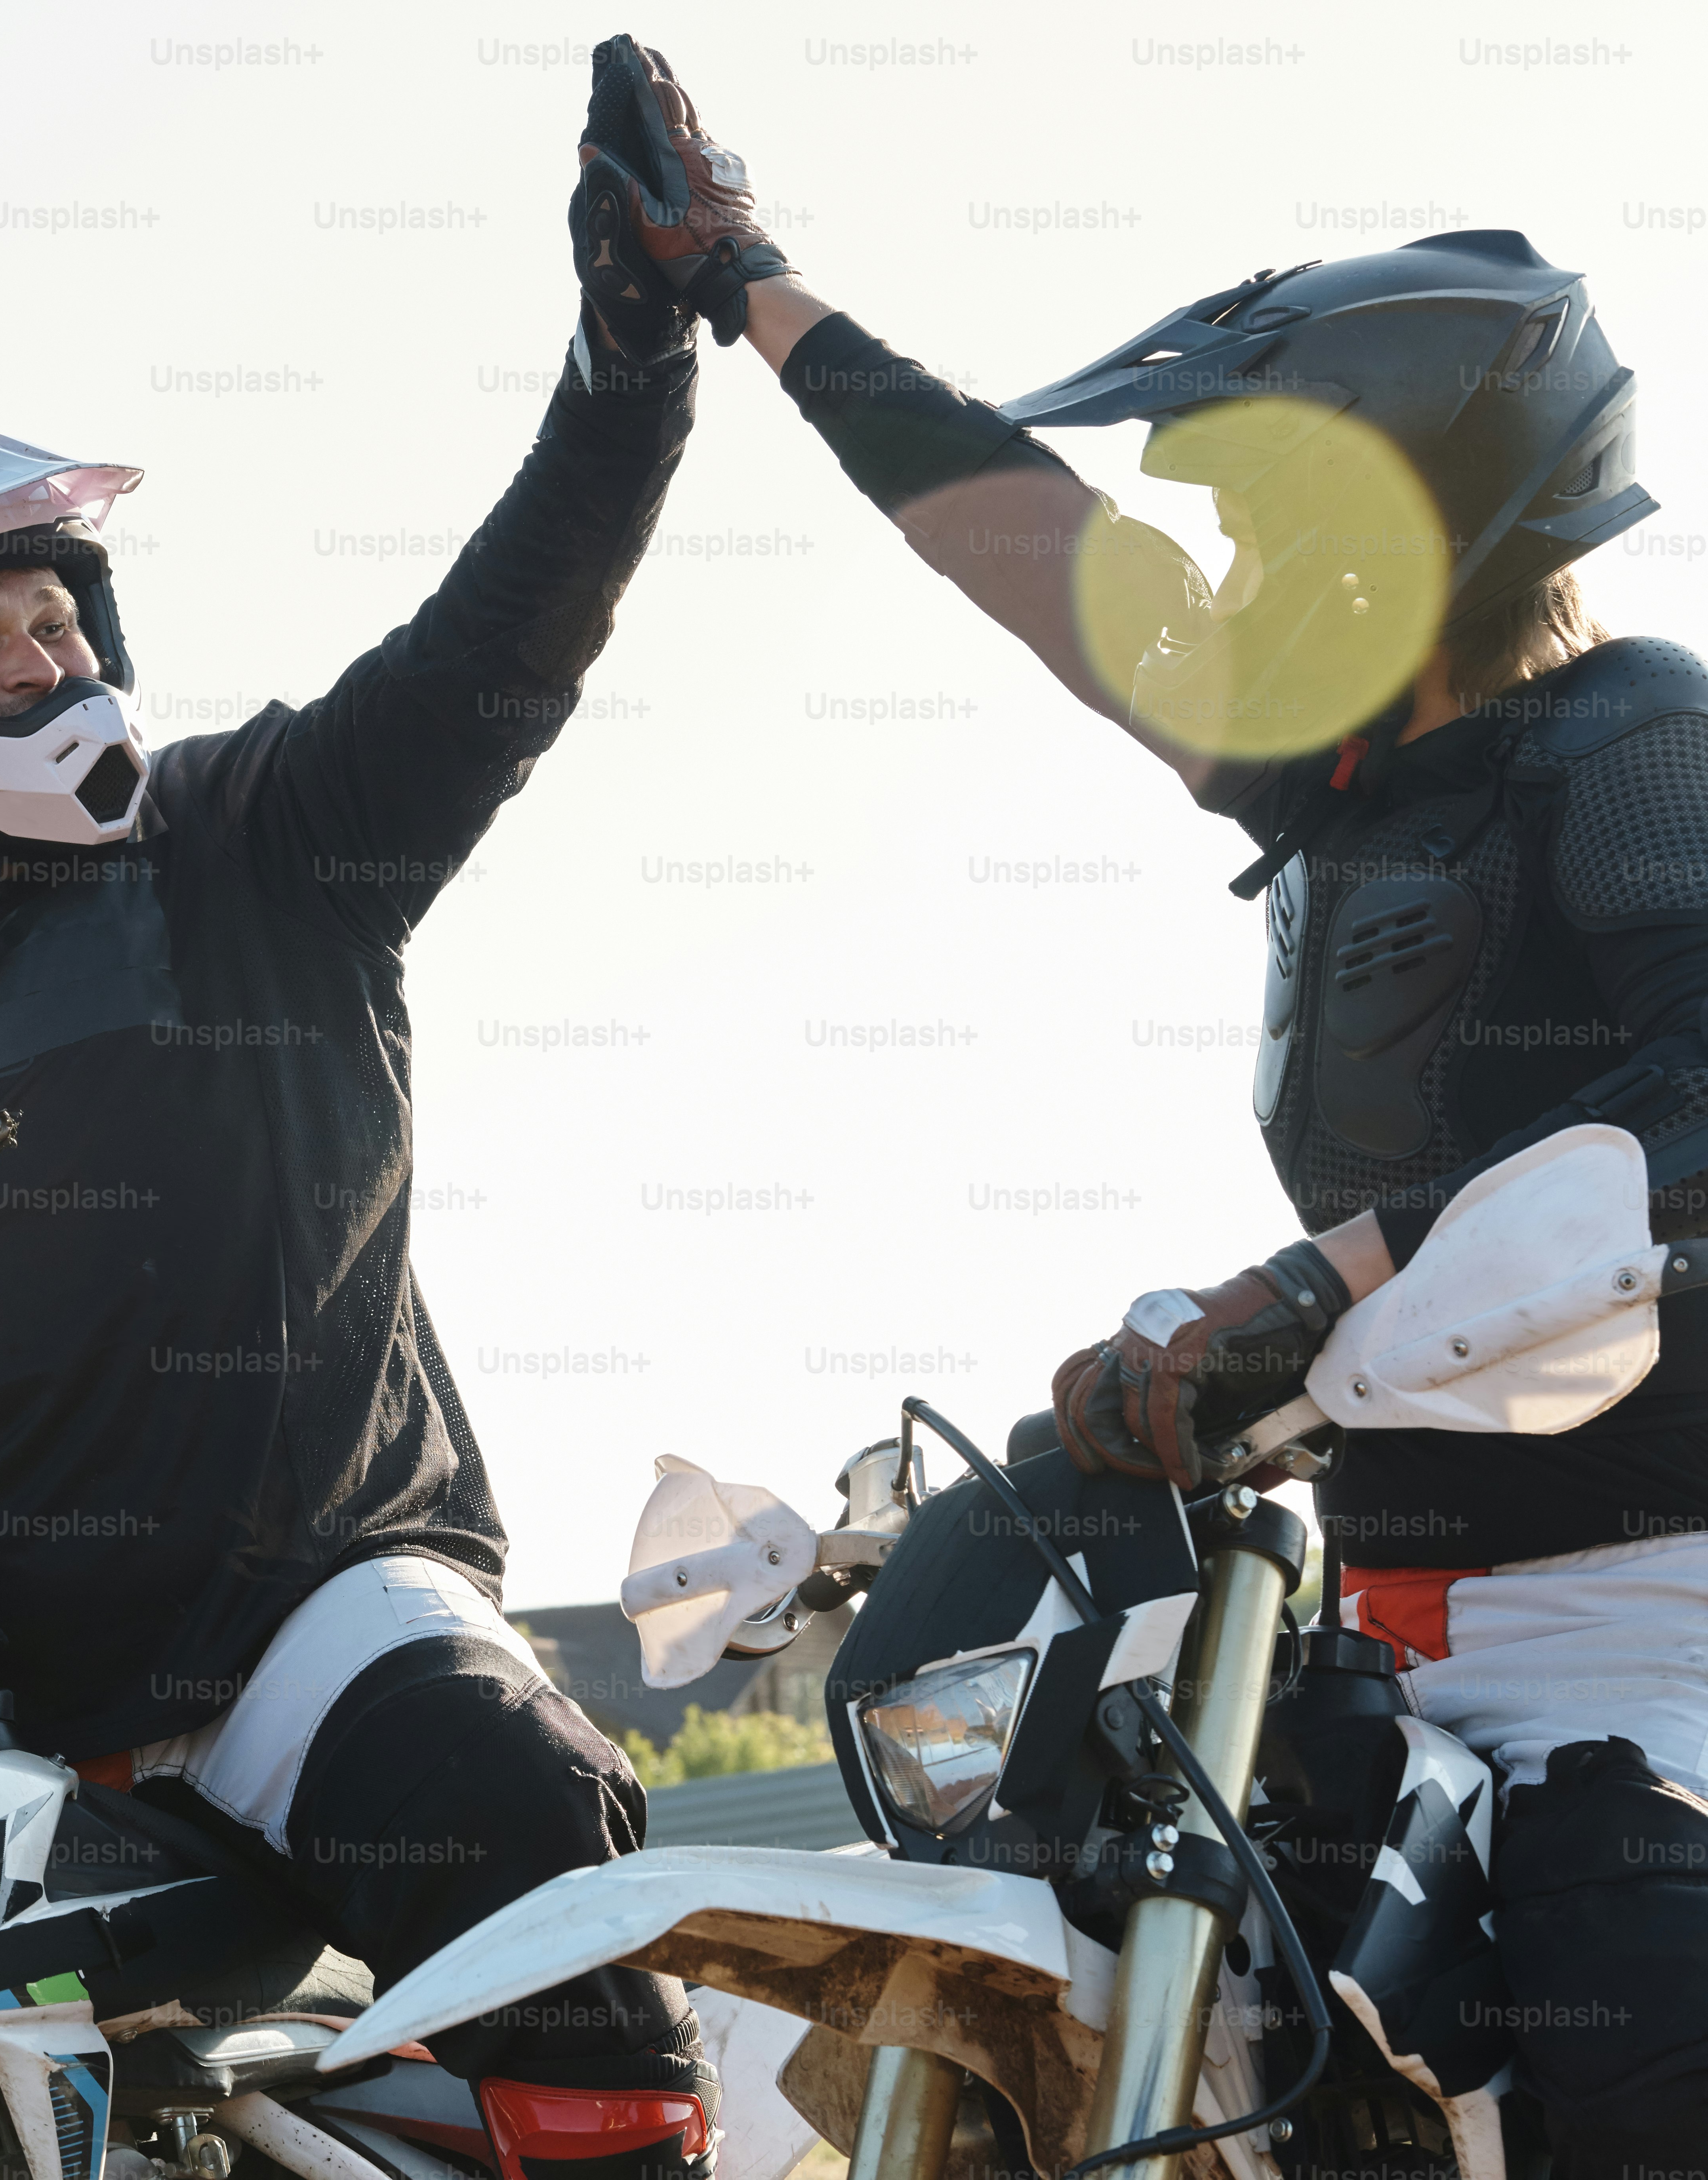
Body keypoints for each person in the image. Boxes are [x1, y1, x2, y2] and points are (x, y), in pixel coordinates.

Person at [0, 39, 755, 2178]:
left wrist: (630, 361)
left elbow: (510, 640)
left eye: (56, 616)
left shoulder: (260, 845)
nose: (43, 659)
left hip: (312, 1622)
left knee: (514, 1808)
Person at [628, 55, 1708, 2167]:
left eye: (1280, 510)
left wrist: (1326, 1274)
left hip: (1661, 1624)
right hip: (1392, 1624)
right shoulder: (1336, 780)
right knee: (1189, 1951)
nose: (1232, 559)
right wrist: (747, 283)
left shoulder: (1633, 734)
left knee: (1630, 1977)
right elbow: (1021, 538)